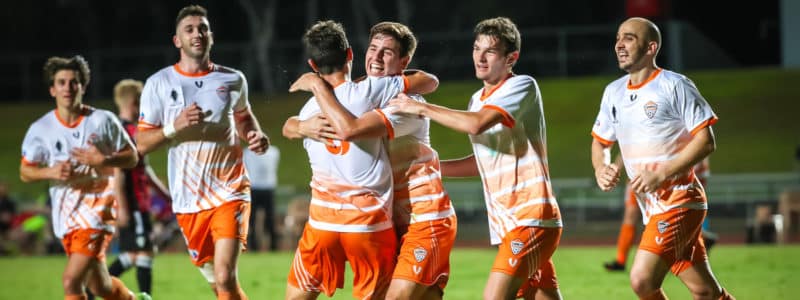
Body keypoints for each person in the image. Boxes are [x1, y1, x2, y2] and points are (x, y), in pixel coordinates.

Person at [389, 17, 563, 300]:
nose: (480, 57)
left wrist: (421, 109)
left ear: (511, 58)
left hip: (531, 218)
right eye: (476, 48)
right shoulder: (477, 100)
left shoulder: (521, 86)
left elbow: (476, 124)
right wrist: (432, 169)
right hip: (509, 224)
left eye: (490, 51)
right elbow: (483, 161)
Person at [286, 21, 456, 299]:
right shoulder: (363, 92)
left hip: (423, 215)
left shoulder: (405, 101)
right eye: (373, 48)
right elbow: (292, 124)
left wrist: (315, 88)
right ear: (354, 54)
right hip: (387, 217)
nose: (376, 57)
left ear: (405, 61)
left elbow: (349, 129)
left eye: (386, 52)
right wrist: (298, 125)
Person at [589, 17, 733, 299]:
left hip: (681, 199)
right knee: (705, 291)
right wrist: (600, 167)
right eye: (618, 37)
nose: (620, 44)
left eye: (629, 38)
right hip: (652, 208)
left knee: (642, 280)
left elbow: (706, 141)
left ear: (651, 47)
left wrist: (661, 173)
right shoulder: (613, 92)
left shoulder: (674, 85)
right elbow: (599, 142)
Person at [136, 5, 269, 299]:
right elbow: (141, 144)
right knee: (217, 283)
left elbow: (244, 116)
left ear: (211, 36)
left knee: (224, 275)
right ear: (177, 41)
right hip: (188, 197)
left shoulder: (233, 79)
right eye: (190, 29)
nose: (198, 34)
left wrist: (254, 135)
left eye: (203, 28)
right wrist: (175, 126)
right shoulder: (159, 83)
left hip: (230, 189)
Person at [19, 55, 146, 300]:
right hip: (66, 215)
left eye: (73, 82)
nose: (68, 87)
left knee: (71, 281)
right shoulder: (40, 129)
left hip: (98, 210)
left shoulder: (102, 121)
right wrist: (51, 171)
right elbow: (25, 171)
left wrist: (103, 161)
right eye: (62, 82)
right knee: (101, 287)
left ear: (83, 87)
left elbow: (131, 157)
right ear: (52, 89)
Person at [107, 79, 171, 296]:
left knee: (138, 252)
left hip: (139, 202)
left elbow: (144, 167)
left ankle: (96, 283)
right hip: (132, 203)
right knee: (144, 251)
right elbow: (118, 172)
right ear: (134, 102)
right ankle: (98, 284)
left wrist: (165, 194)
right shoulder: (122, 131)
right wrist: (122, 208)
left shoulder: (130, 130)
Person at [243, 145, 280, 252]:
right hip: (254, 188)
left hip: (268, 188)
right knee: (252, 220)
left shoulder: (274, 152)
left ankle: (273, 247)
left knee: (270, 220)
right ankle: (254, 247)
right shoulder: (247, 153)